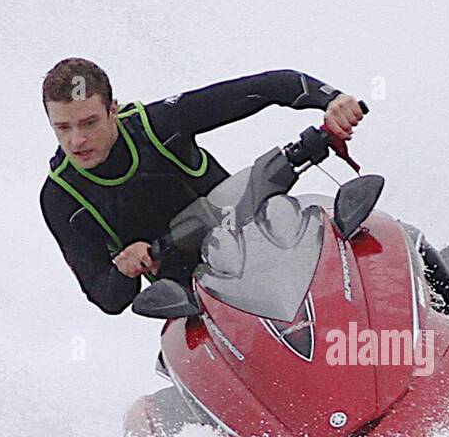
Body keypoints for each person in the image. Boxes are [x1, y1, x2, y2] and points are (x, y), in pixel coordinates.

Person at [40, 57, 364, 313]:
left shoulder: (159, 124)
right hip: (201, 302)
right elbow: (106, 297)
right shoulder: (62, 198)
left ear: (113, 110)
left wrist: (333, 100)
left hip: (262, 246)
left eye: (89, 123)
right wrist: (125, 269)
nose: (77, 139)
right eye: (63, 128)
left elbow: (269, 85)